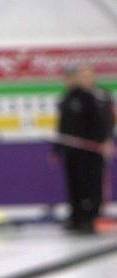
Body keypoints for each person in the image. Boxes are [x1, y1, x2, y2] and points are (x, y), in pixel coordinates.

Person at [54, 65, 112, 234]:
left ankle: (90, 217)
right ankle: (76, 217)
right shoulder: (70, 97)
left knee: (92, 185)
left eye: (89, 76)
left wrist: (105, 141)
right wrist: (57, 148)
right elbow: (63, 125)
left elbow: (106, 122)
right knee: (75, 185)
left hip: (93, 150)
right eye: (82, 76)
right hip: (73, 149)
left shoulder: (101, 96)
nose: (85, 80)